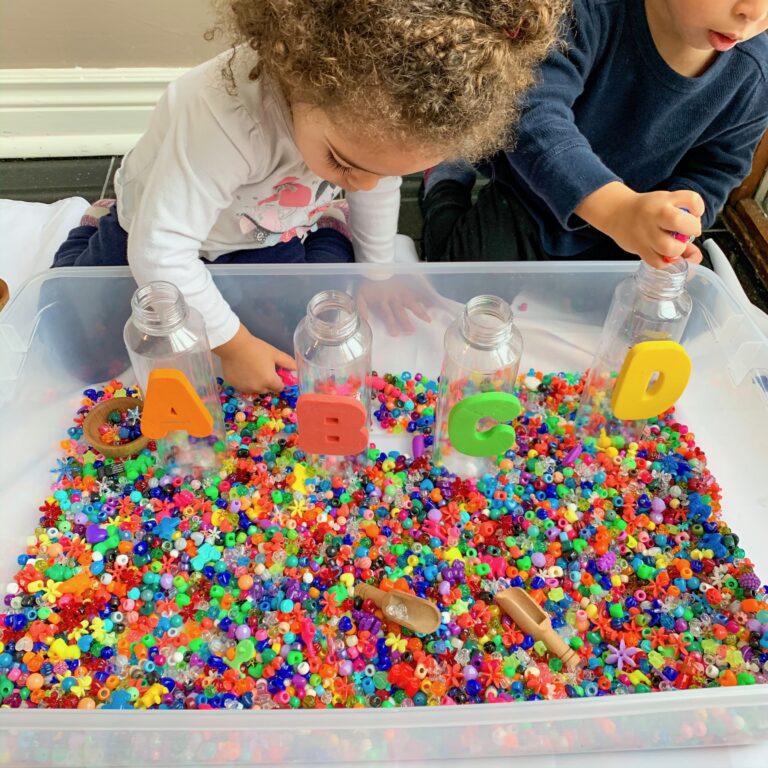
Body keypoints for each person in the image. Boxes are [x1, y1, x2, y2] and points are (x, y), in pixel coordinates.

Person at [51, 0, 565, 393]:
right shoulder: (220, 116)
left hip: (267, 228)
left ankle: (327, 235)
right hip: (158, 226)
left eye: (386, 174)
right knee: (85, 356)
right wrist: (231, 345)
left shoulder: (374, 131)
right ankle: (90, 228)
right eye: (344, 164)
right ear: (297, 74)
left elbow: (376, 181)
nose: (362, 184)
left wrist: (378, 272)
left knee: (304, 338)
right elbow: (159, 249)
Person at [421, 0, 768, 269]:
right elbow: (533, 116)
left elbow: (717, 170)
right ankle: (445, 180)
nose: (753, 12)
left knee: (673, 322)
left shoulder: (756, 75)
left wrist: (676, 223)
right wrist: (618, 210)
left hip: (635, 229)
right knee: (455, 284)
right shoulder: (585, 13)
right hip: (534, 198)